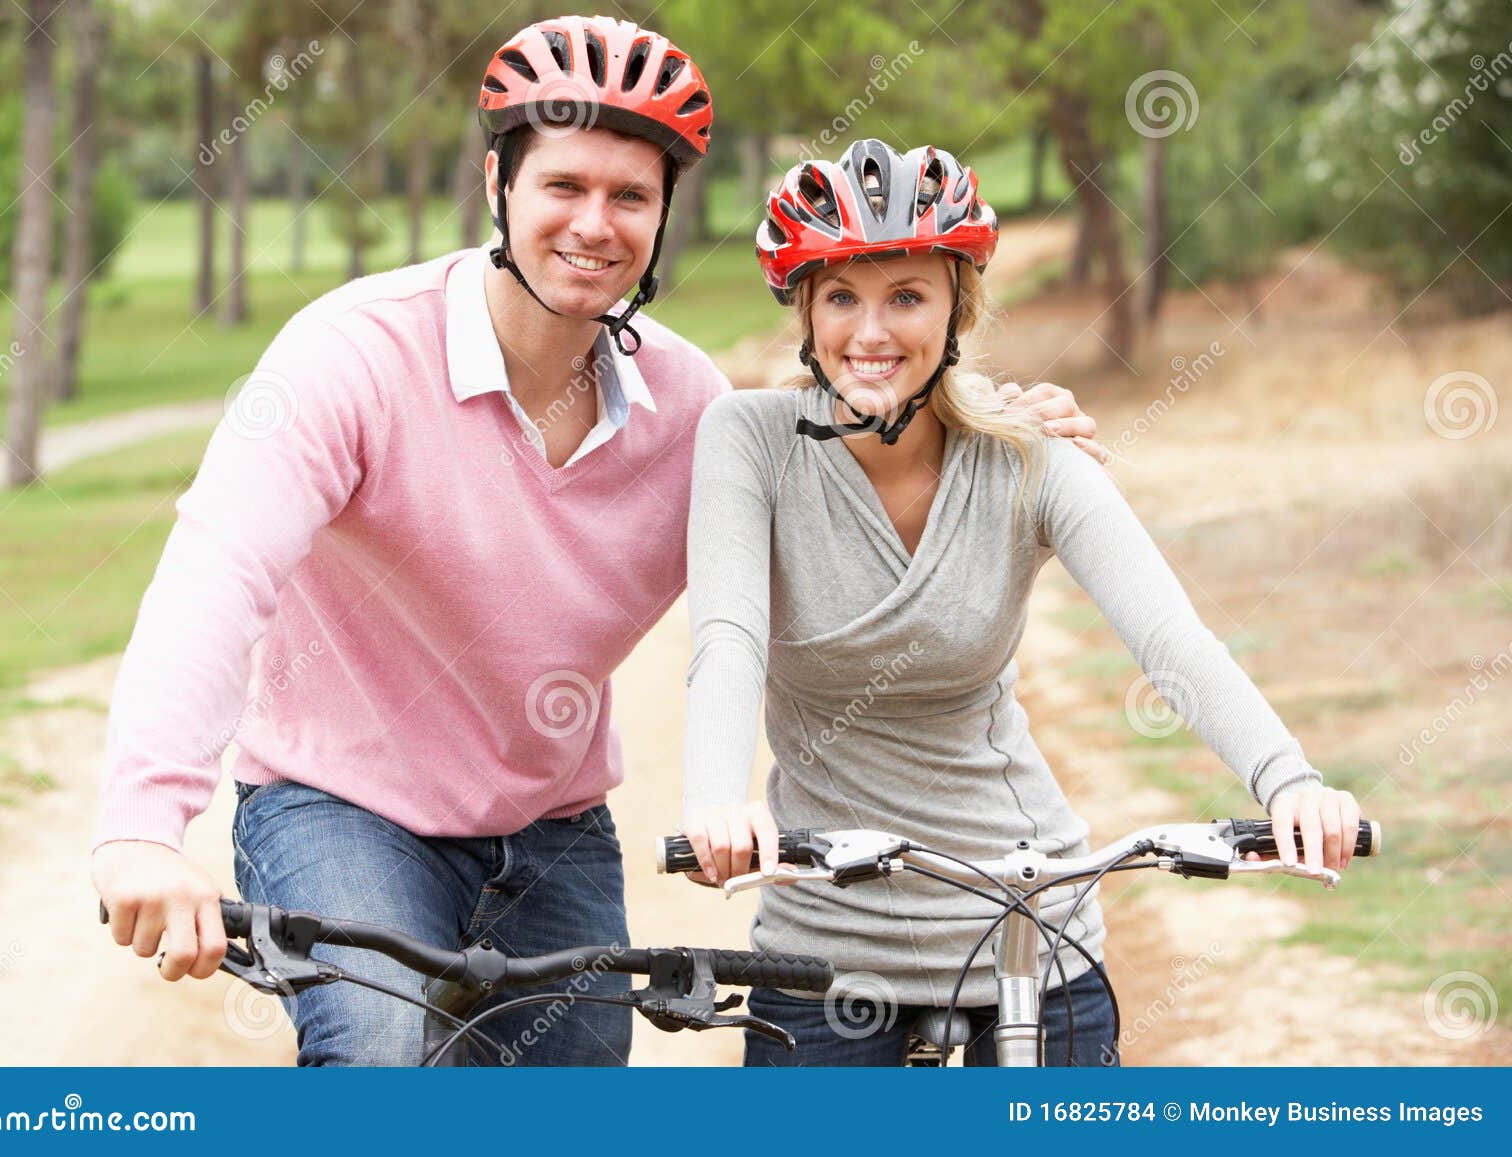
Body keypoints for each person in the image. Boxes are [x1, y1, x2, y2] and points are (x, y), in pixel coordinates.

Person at [90, 17, 1106, 1067]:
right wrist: (140, 823)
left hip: (549, 820)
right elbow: (219, 572)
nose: (595, 223)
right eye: (563, 186)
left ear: (664, 216)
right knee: (377, 1047)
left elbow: (838, 497)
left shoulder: (689, 410)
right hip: (341, 804)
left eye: (630, 197)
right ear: (499, 186)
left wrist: (986, 432)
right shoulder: (349, 356)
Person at [677, 139, 1365, 1066]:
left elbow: (1169, 637)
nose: (869, 331)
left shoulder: (1029, 451)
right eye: (841, 295)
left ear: (959, 306)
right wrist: (718, 800)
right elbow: (729, 637)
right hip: (827, 935)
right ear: (803, 308)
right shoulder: (750, 440)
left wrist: (1289, 780)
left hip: (1027, 924)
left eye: (907, 296)